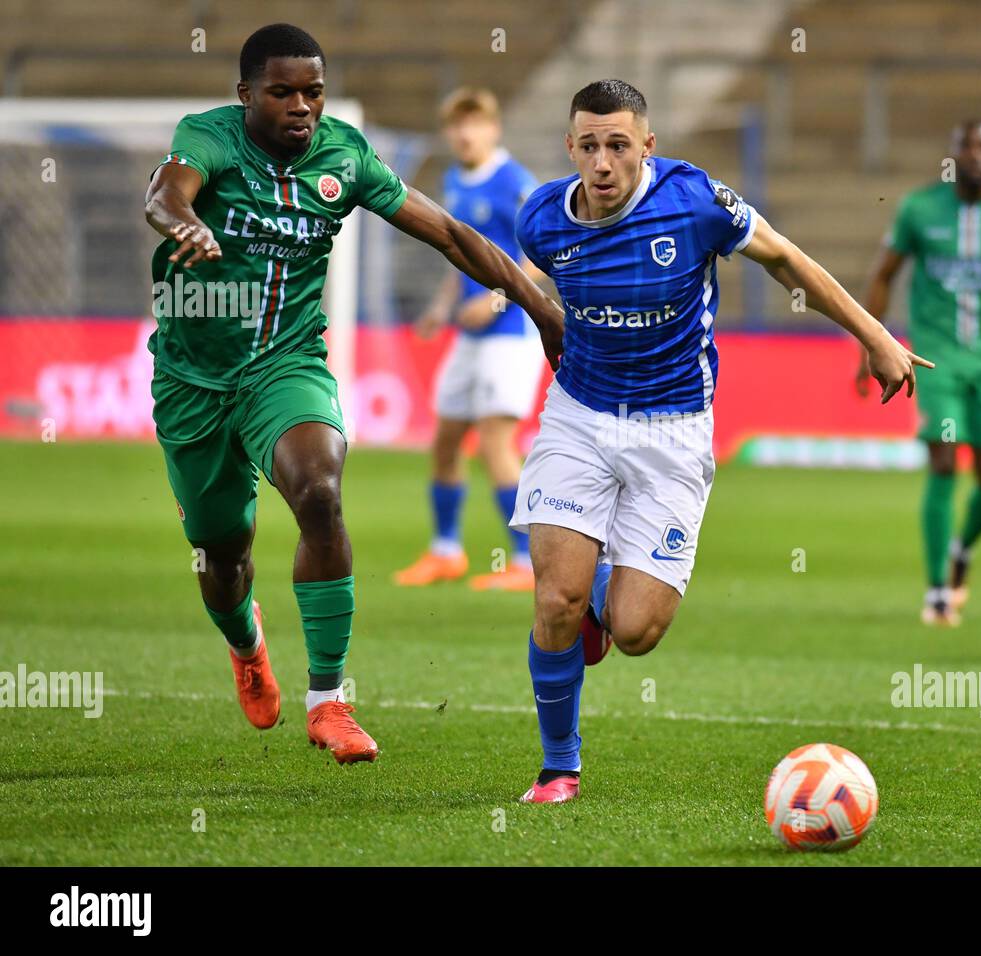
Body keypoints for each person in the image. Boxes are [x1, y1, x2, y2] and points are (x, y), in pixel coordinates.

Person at [144, 23, 562, 762]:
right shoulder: (207, 137)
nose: (301, 106)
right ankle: (247, 646)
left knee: (319, 488)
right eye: (282, 92)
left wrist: (538, 303)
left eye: (313, 91)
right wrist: (184, 223)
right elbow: (164, 195)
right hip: (192, 378)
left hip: (286, 364)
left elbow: (452, 235)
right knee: (222, 554)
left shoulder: (345, 155)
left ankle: (329, 701)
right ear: (246, 96)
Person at [510, 79, 930, 803]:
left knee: (637, 632)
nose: (603, 163)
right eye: (589, 146)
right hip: (577, 417)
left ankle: (601, 601)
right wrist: (548, 321)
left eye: (618, 145)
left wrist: (873, 335)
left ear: (648, 144)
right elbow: (533, 283)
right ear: (569, 148)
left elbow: (787, 259)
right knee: (554, 599)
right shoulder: (542, 220)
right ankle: (559, 766)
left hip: (674, 430)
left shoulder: (696, 201)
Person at [858, 120, 981, 627]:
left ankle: (961, 551)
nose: (974, 156)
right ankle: (938, 590)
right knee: (943, 461)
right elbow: (883, 275)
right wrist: (869, 348)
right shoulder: (919, 211)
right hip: (935, 360)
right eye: (965, 147)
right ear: (951, 157)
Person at [394, 88, 546, 592]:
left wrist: (500, 298)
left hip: (510, 336)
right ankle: (446, 551)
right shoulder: (454, 181)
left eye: (474, 123)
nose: (464, 133)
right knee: (445, 441)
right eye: (456, 125)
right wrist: (442, 309)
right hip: (468, 337)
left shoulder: (514, 183)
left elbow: (541, 254)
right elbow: (459, 257)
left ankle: (526, 562)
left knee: (495, 443)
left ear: (493, 128)